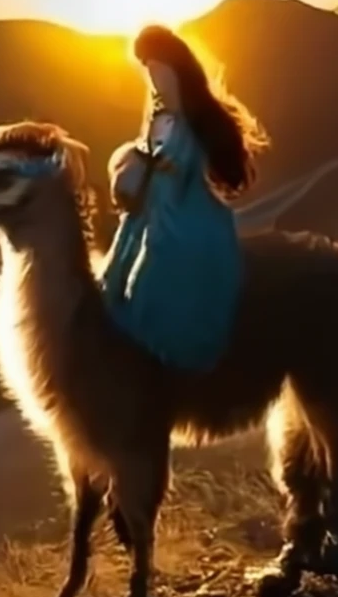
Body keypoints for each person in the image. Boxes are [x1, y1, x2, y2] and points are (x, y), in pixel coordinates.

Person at [100, 24, 267, 372]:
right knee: (121, 266)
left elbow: (179, 167)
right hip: (156, 211)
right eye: (148, 72)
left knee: (153, 281)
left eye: (157, 70)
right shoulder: (163, 118)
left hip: (188, 218)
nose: (153, 80)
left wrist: (158, 169)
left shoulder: (192, 123)